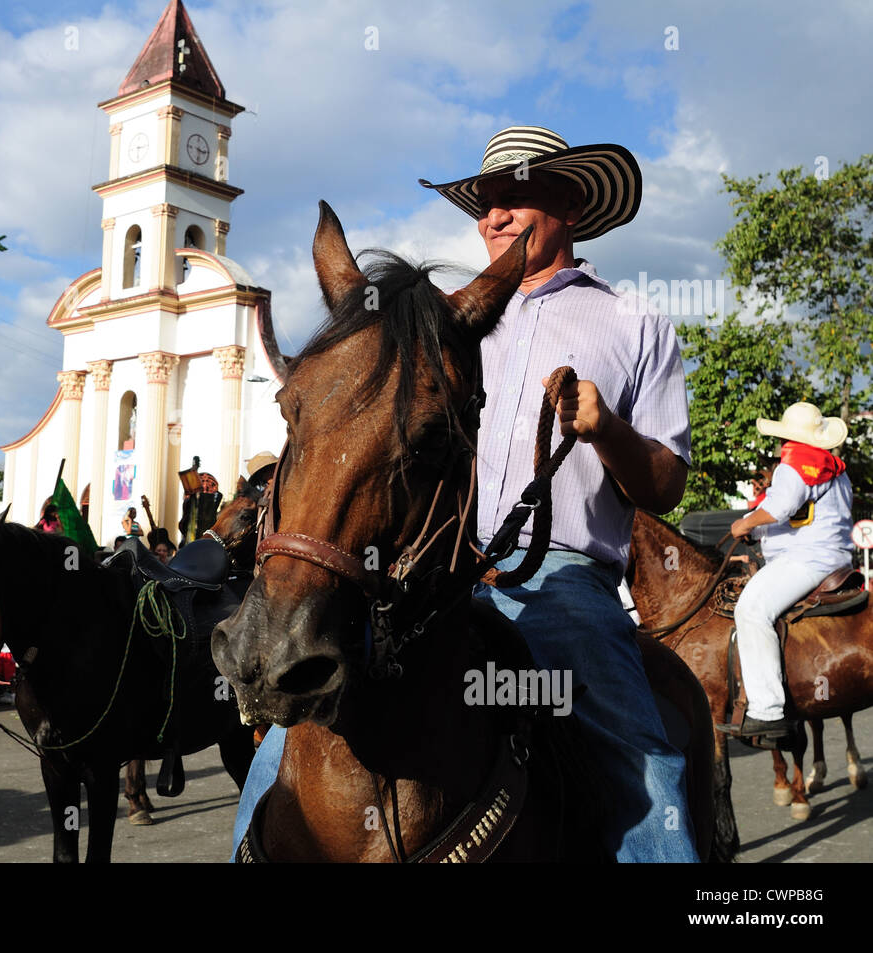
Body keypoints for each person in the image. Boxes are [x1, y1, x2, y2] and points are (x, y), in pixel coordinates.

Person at [235, 125, 697, 863]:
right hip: (421, 581)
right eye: (486, 203)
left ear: (571, 204)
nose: (495, 216)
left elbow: (667, 484)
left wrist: (605, 427)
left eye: (517, 197)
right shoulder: (432, 321)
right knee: (280, 749)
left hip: (563, 582)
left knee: (636, 761)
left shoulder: (634, 323)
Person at [727, 403, 854, 740]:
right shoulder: (833, 468)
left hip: (808, 559)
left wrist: (745, 523)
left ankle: (767, 712)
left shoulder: (796, 461)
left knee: (751, 611)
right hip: (835, 556)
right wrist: (759, 530)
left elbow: (780, 507)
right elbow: (799, 516)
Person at [179, 468, 222, 546]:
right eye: (203, 484)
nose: (205, 488)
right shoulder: (190, 502)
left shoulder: (214, 503)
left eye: (208, 487)